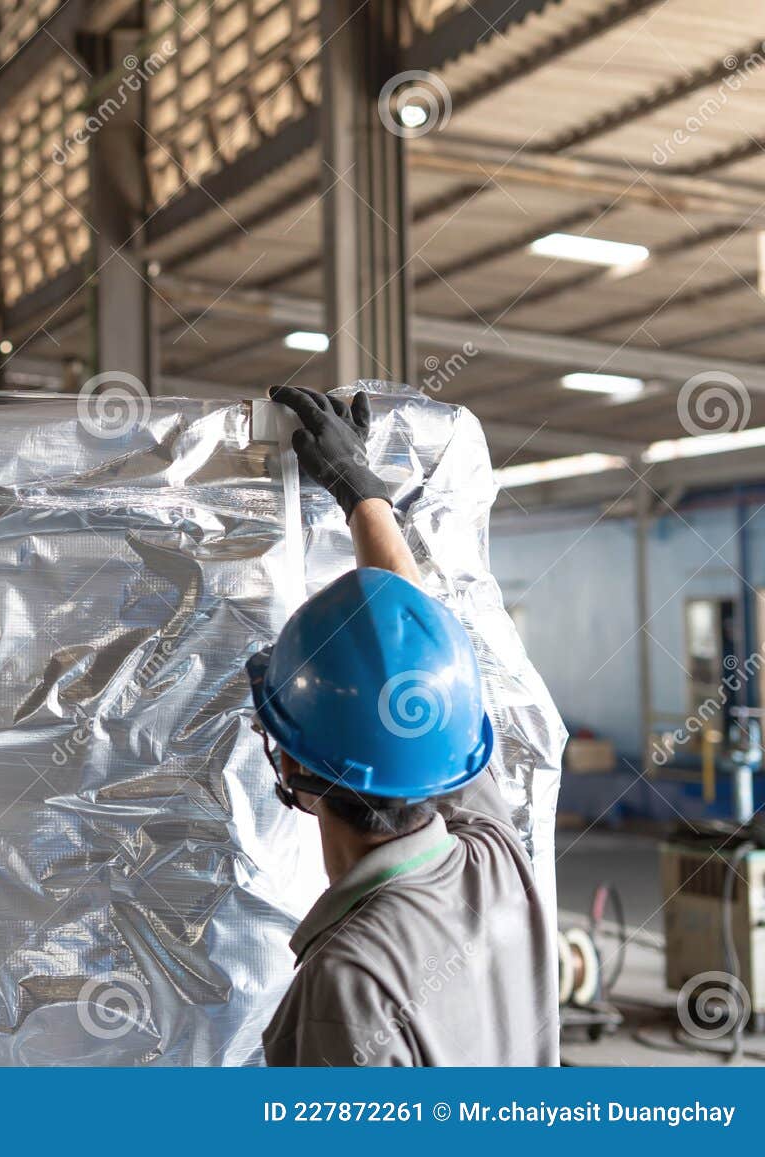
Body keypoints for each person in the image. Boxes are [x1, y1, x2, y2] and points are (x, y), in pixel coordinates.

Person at [251, 385, 558, 1066]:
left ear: (291, 765)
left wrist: (359, 490)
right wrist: (363, 491)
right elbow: (412, 665)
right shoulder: (495, 860)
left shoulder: (349, 981)